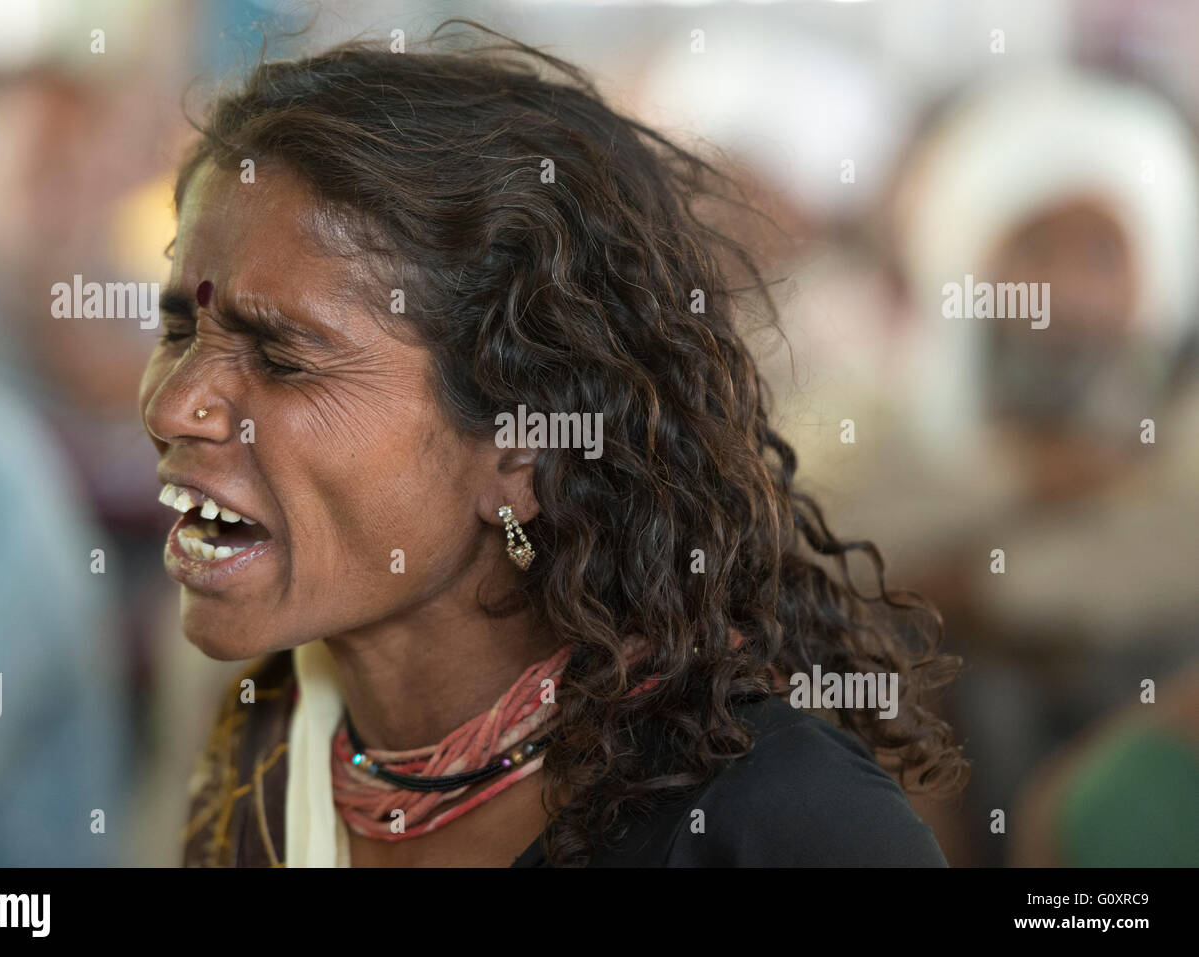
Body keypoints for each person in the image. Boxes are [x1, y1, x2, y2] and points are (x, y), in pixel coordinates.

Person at [140, 21, 966, 868]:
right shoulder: (259, 746)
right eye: (177, 329)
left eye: (280, 357)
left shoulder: (774, 825)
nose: (173, 406)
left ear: (519, 449)